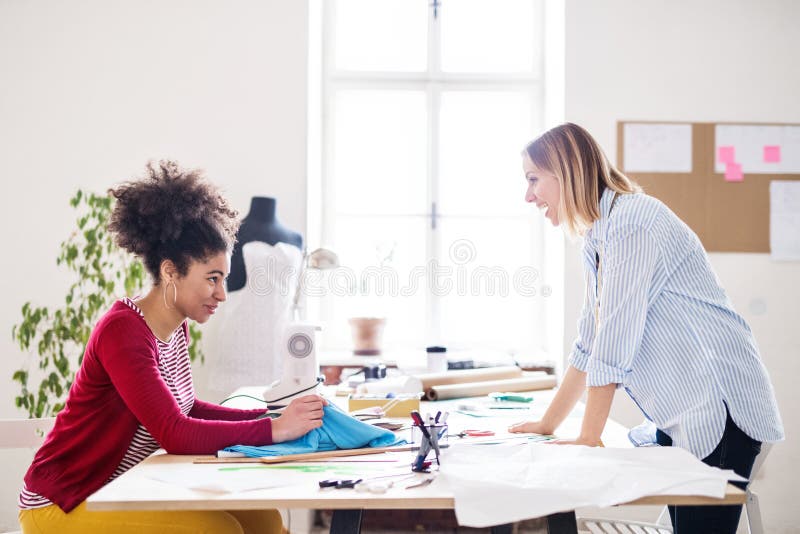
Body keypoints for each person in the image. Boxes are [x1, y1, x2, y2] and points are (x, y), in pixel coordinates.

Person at [18, 160, 327, 534]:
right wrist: (275, 429)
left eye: (224, 279)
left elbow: (188, 408)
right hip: (65, 503)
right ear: (169, 272)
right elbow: (175, 432)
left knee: (264, 520)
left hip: (116, 490)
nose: (222, 294)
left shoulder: (174, 329)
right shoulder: (123, 331)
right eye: (212, 278)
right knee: (219, 530)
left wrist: (274, 417)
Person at [509, 123, 783, 534]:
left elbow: (614, 341)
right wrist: (549, 424)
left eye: (533, 180)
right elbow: (589, 342)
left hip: (719, 412)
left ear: (565, 171)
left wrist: (588, 437)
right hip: (684, 415)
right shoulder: (598, 237)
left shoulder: (632, 223)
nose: (528, 195)